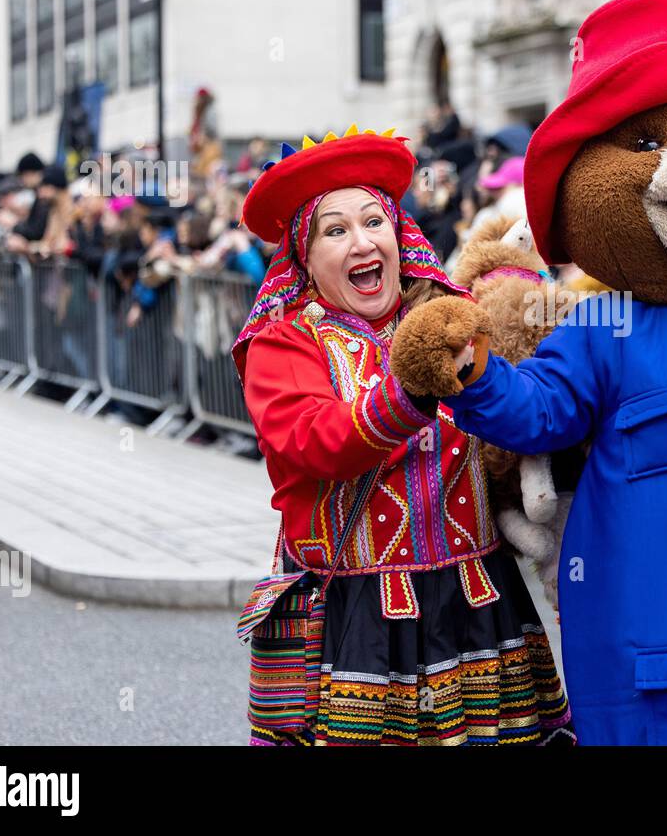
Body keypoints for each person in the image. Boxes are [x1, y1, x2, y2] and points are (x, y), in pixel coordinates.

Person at [233, 126, 574, 746]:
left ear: (399, 233)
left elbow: (513, 424)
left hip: (477, 601)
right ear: (304, 261)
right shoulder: (282, 343)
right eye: (335, 231)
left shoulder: (450, 322)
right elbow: (314, 440)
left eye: (374, 222)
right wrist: (410, 390)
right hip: (355, 615)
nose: (363, 241)